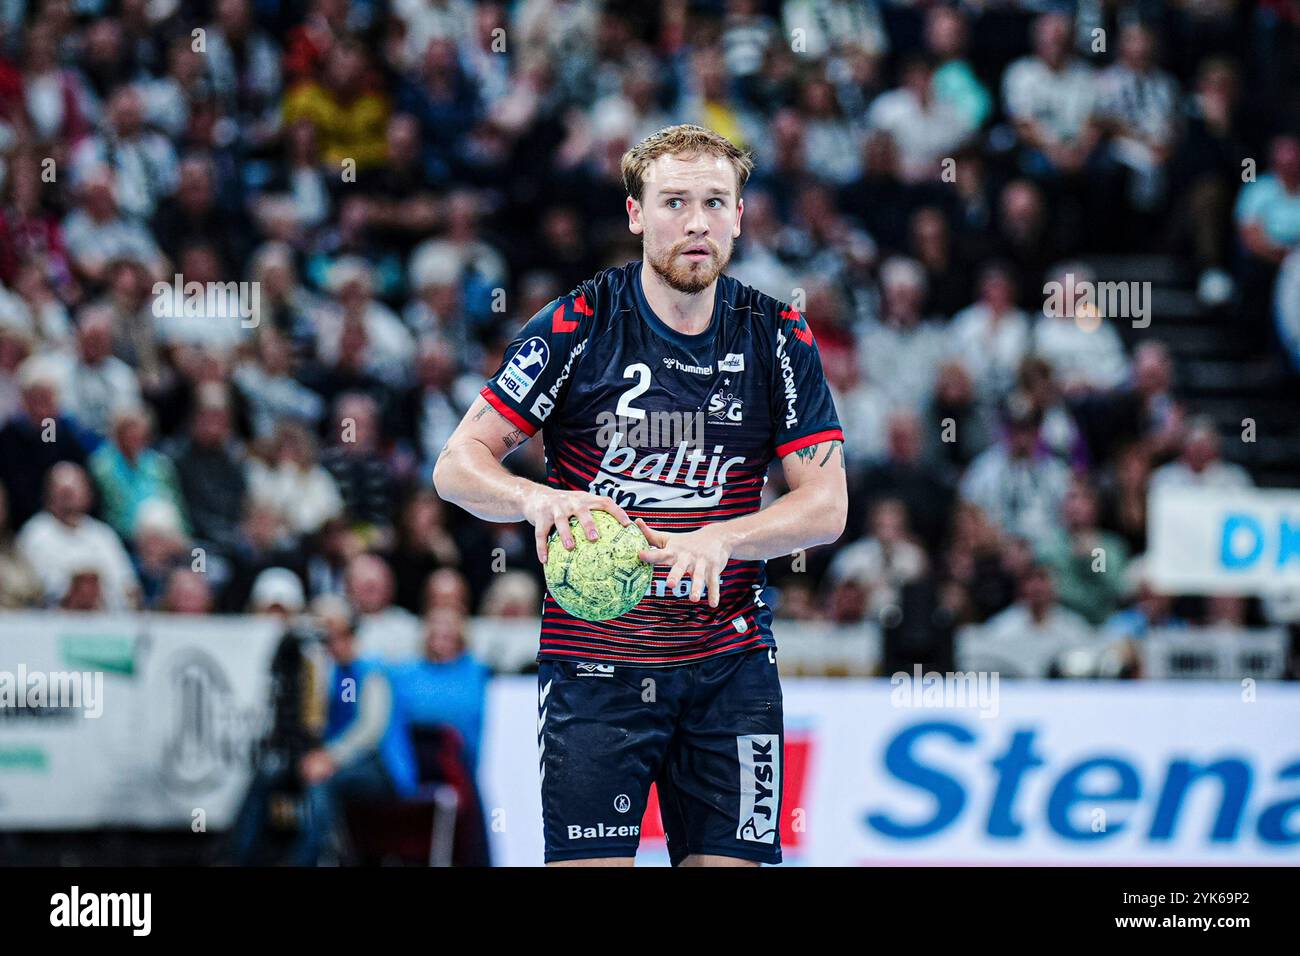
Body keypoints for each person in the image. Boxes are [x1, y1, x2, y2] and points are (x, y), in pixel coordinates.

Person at [434, 124, 848, 867]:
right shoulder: (578, 323)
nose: (697, 222)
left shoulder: (777, 333)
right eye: (675, 202)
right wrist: (534, 499)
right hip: (595, 668)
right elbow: (456, 464)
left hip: (732, 666)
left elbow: (827, 505)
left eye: (716, 202)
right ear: (635, 214)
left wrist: (725, 537)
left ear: (741, 215)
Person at [227, 597, 417, 866]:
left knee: (320, 782)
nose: (327, 643)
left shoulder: (371, 670)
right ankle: (239, 857)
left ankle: (306, 859)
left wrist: (329, 757)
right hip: (340, 759)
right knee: (271, 772)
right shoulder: (335, 672)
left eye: (333, 634)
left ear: (349, 634)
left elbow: (368, 730)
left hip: (380, 765)